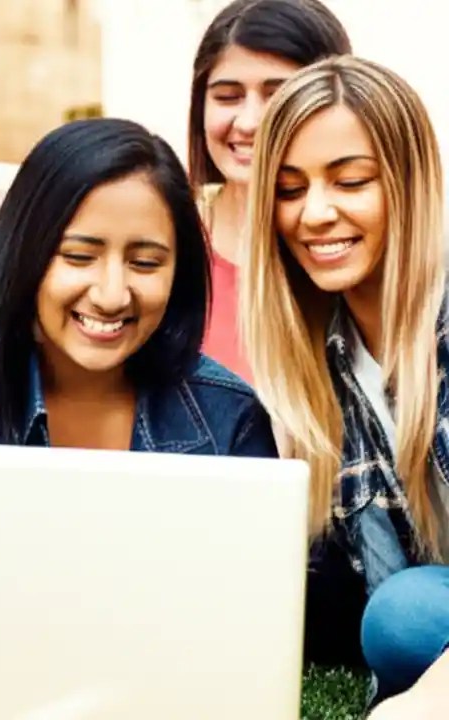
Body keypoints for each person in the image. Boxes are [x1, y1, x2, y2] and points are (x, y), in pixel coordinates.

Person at [0, 117, 276, 462]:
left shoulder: (228, 415)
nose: (111, 295)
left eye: (145, 263)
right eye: (78, 257)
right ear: (26, 252)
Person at [238, 55, 449, 715]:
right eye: (291, 189)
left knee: (406, 616)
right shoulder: (318, 358)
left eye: (350, 181)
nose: (315, 214)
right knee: (402, 616)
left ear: (409, 184)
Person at [186, 0, 350, 382]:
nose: (249, 122)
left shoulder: (355, 249)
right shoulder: (165, 239)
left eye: (277, 95)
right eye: (227, 96)